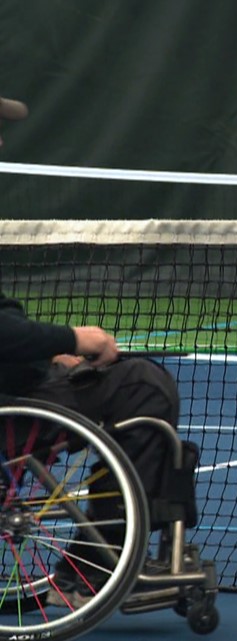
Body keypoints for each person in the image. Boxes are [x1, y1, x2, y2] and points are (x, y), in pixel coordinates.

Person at [0, 96, 185, 605]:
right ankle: (93, 567)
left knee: (131, 382)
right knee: (144, 390)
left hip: (21, 385)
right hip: (11, 411)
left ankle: (97, 560)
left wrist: (47, 358)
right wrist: (73, 339)